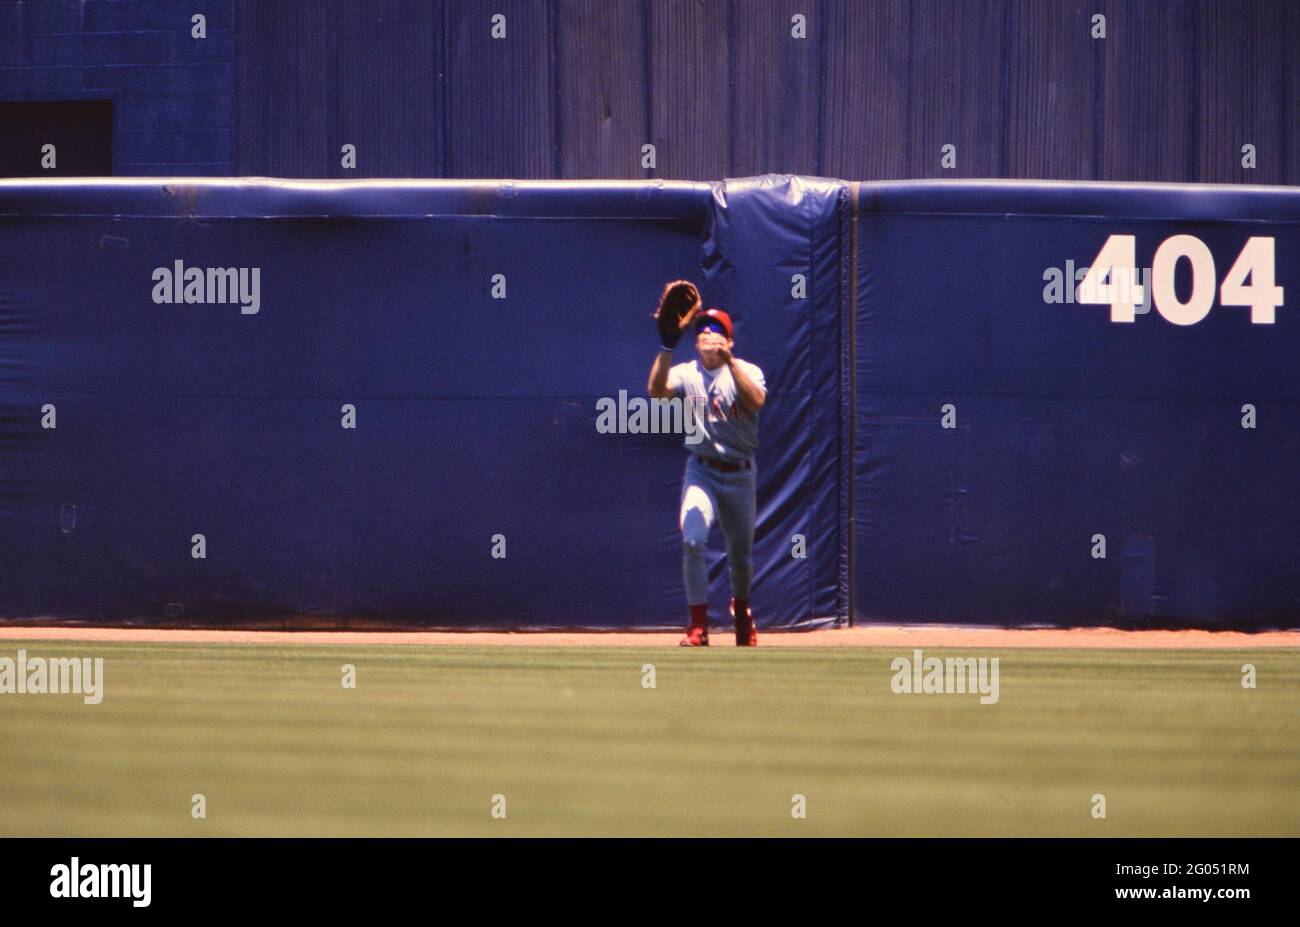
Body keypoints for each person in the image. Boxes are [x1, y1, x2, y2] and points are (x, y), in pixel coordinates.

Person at [647, 297, 766, 646]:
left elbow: (756, 400)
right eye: (702, 331)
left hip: (740, 472)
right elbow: (656, 392)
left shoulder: (748, 369)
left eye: (717, 331)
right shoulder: (686, 372)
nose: (708, 335)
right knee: (693, 540)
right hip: (702, 470)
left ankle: (741, 612)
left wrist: (729, 361)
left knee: (740, 557)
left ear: (729, 341)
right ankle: (698, 626)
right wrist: (667, 344)